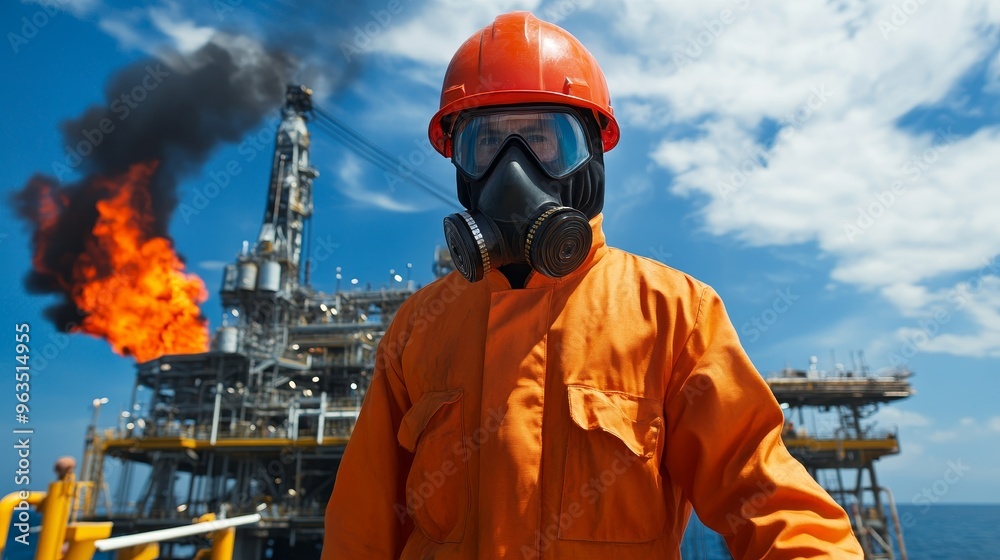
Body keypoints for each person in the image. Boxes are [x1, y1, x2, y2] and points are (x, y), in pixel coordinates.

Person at [323, 11, 863, 559]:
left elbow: (769, 500)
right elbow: (360, 530)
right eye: (487, 144)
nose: (515, 170)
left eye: (545, 141)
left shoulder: (674, 315)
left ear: (594, 153)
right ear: (459, 161)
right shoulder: (417, 329)